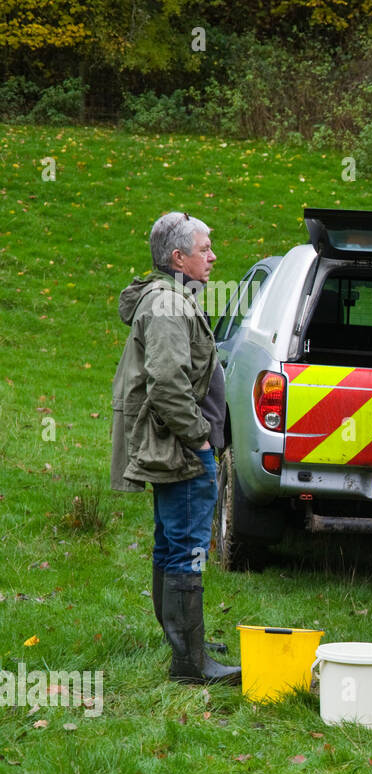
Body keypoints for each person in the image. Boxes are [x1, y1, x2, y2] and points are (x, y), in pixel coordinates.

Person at [110, 212, 240, 685]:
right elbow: (166, 381)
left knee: (171, 541)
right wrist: (199, 437)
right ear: (178, 257)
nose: (213, 257)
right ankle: (190, 663)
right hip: (181, 448)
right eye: (204, 249)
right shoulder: (167, 304)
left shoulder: (172, 298)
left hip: (174, 444)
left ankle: (183, 640)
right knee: (187, 547)